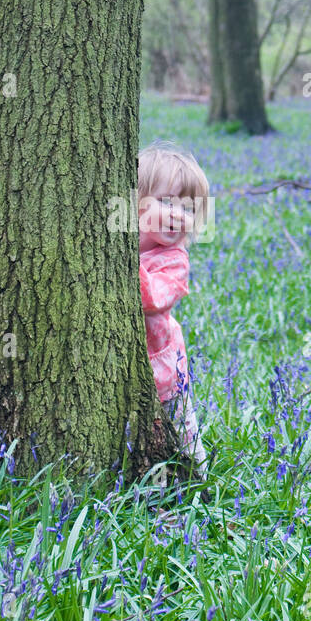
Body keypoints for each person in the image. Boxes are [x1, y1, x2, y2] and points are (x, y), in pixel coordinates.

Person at [137, 141, 209, 481]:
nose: (179, 214)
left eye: (189, 208)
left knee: (182, 431)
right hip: (136, 367)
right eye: (166, 202)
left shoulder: (175, 261)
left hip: (166, 373)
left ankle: (198, 478)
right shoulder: (135, 243)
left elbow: (151, 298)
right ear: (135, 204)